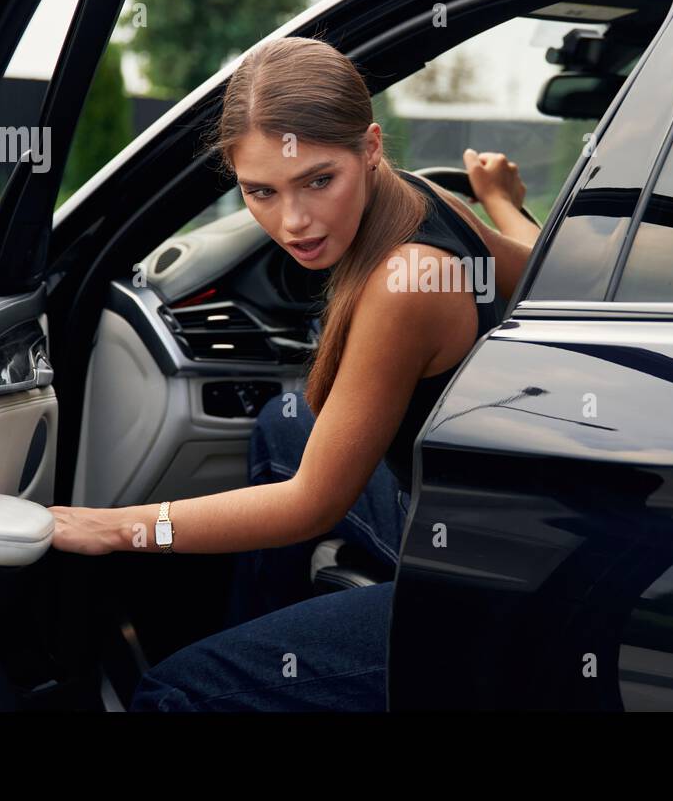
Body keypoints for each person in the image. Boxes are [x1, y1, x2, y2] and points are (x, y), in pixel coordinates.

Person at [47, 35, 542, 710]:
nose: (295, 222)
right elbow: (538, 273)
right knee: (285, 423)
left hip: (483, 588)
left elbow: (311, 503)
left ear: (369, 148)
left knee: (175, 694)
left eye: (318, 180)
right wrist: (501, 199)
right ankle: (269, 663)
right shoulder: (425, 197)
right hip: (478, 517)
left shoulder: (403, 283)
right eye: (261, 191)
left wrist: (112, 529)